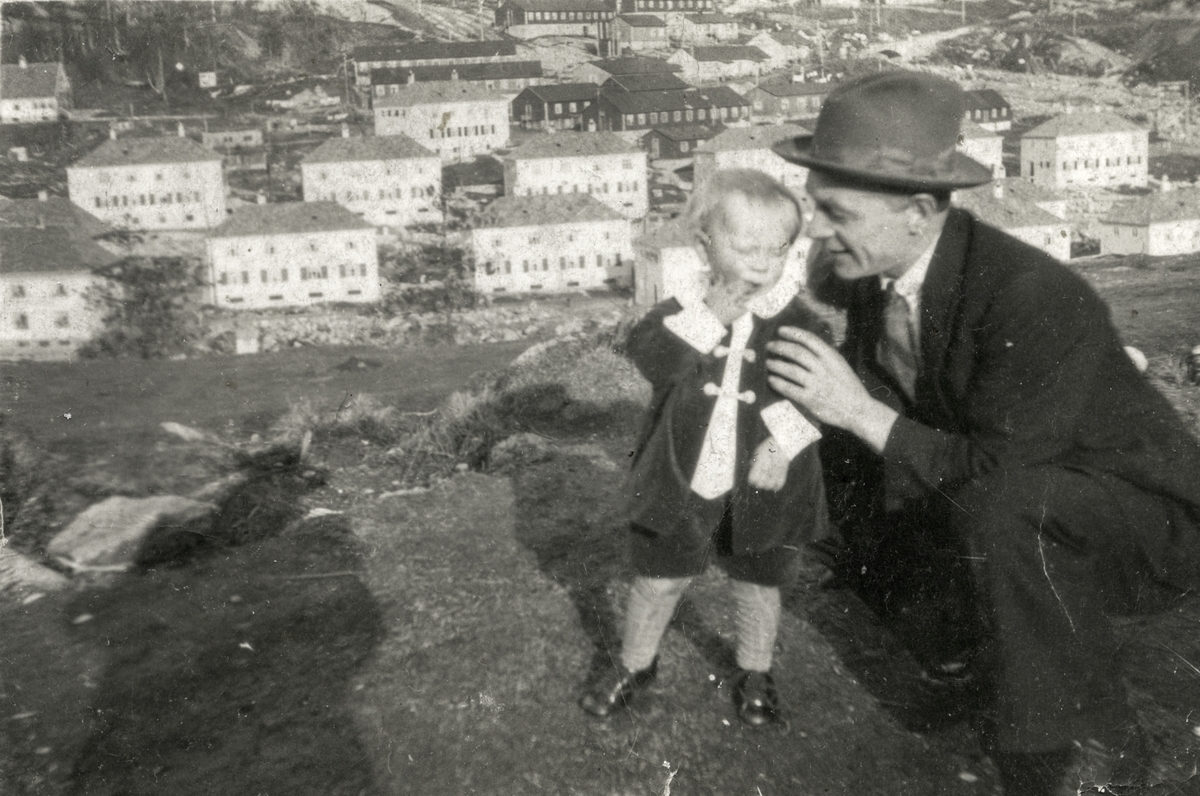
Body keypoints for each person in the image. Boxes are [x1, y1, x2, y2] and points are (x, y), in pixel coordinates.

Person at [765, 70, 1200, 795]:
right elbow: (893, 401)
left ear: (921, 209)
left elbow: (999, 468)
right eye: (817, 209)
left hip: (1145, 523)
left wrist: (860, 414)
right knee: (839, 448)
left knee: (1003, 505)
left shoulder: (1025, 293)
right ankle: (950, 648)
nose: (815, 229)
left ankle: (1054, 752)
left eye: (836, 213)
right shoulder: (892, 272)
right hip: (1028, 486)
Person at [580, 169, 830, 728]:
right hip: (682, 473)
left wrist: (782, 444)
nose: (765, 262)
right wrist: (711, 317)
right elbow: (652, 361)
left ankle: (756, 669)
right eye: (746, 247)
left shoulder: (797, 319)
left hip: (766, 475)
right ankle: (635, 663)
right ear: (705, 245)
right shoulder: (680, 312)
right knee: (660, 578)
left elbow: (815, 393)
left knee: (758, 581)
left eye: (780, 249)